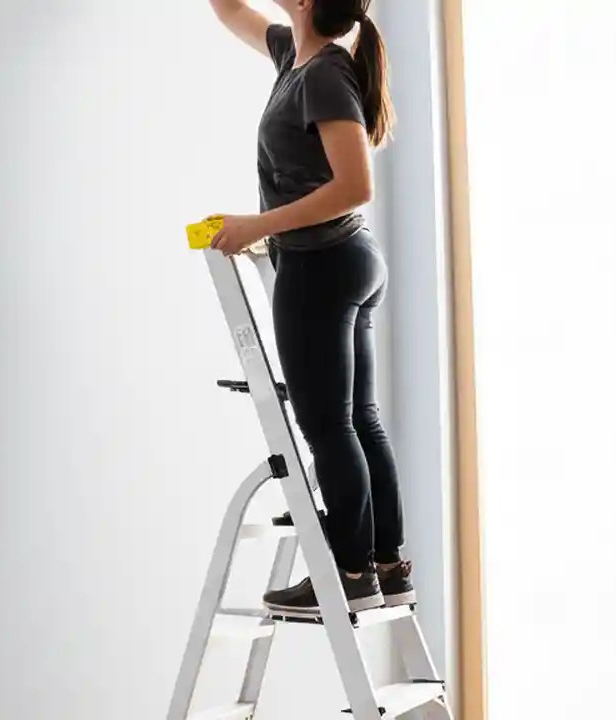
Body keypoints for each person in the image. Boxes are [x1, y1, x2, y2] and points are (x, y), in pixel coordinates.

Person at [206, 0, 413, 614]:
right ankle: (386, 566)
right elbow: (225, 9)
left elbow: (355, 185)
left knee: (330, 429)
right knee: (358, 422)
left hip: (323, 268)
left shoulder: (323, 73)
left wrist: (258, 224)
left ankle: (349, 573)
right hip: (339, 259)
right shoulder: (291, 55)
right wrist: (267, 230)